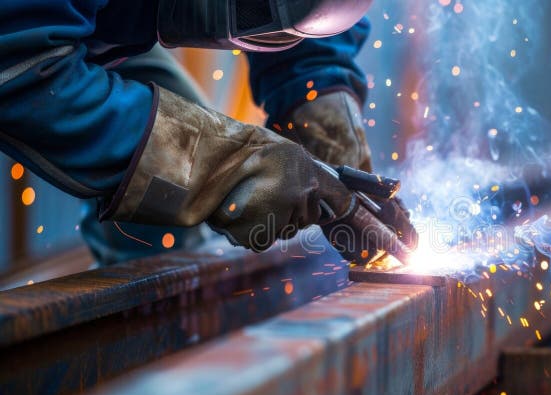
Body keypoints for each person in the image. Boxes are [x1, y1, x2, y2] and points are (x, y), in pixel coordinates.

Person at [0, 0, 380, 265]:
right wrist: (228, 166)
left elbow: (295, 11)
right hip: (25, 46)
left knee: (169, 226)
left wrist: (319, 97)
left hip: (85, 19)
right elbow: (22, 71)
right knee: (179, 171)